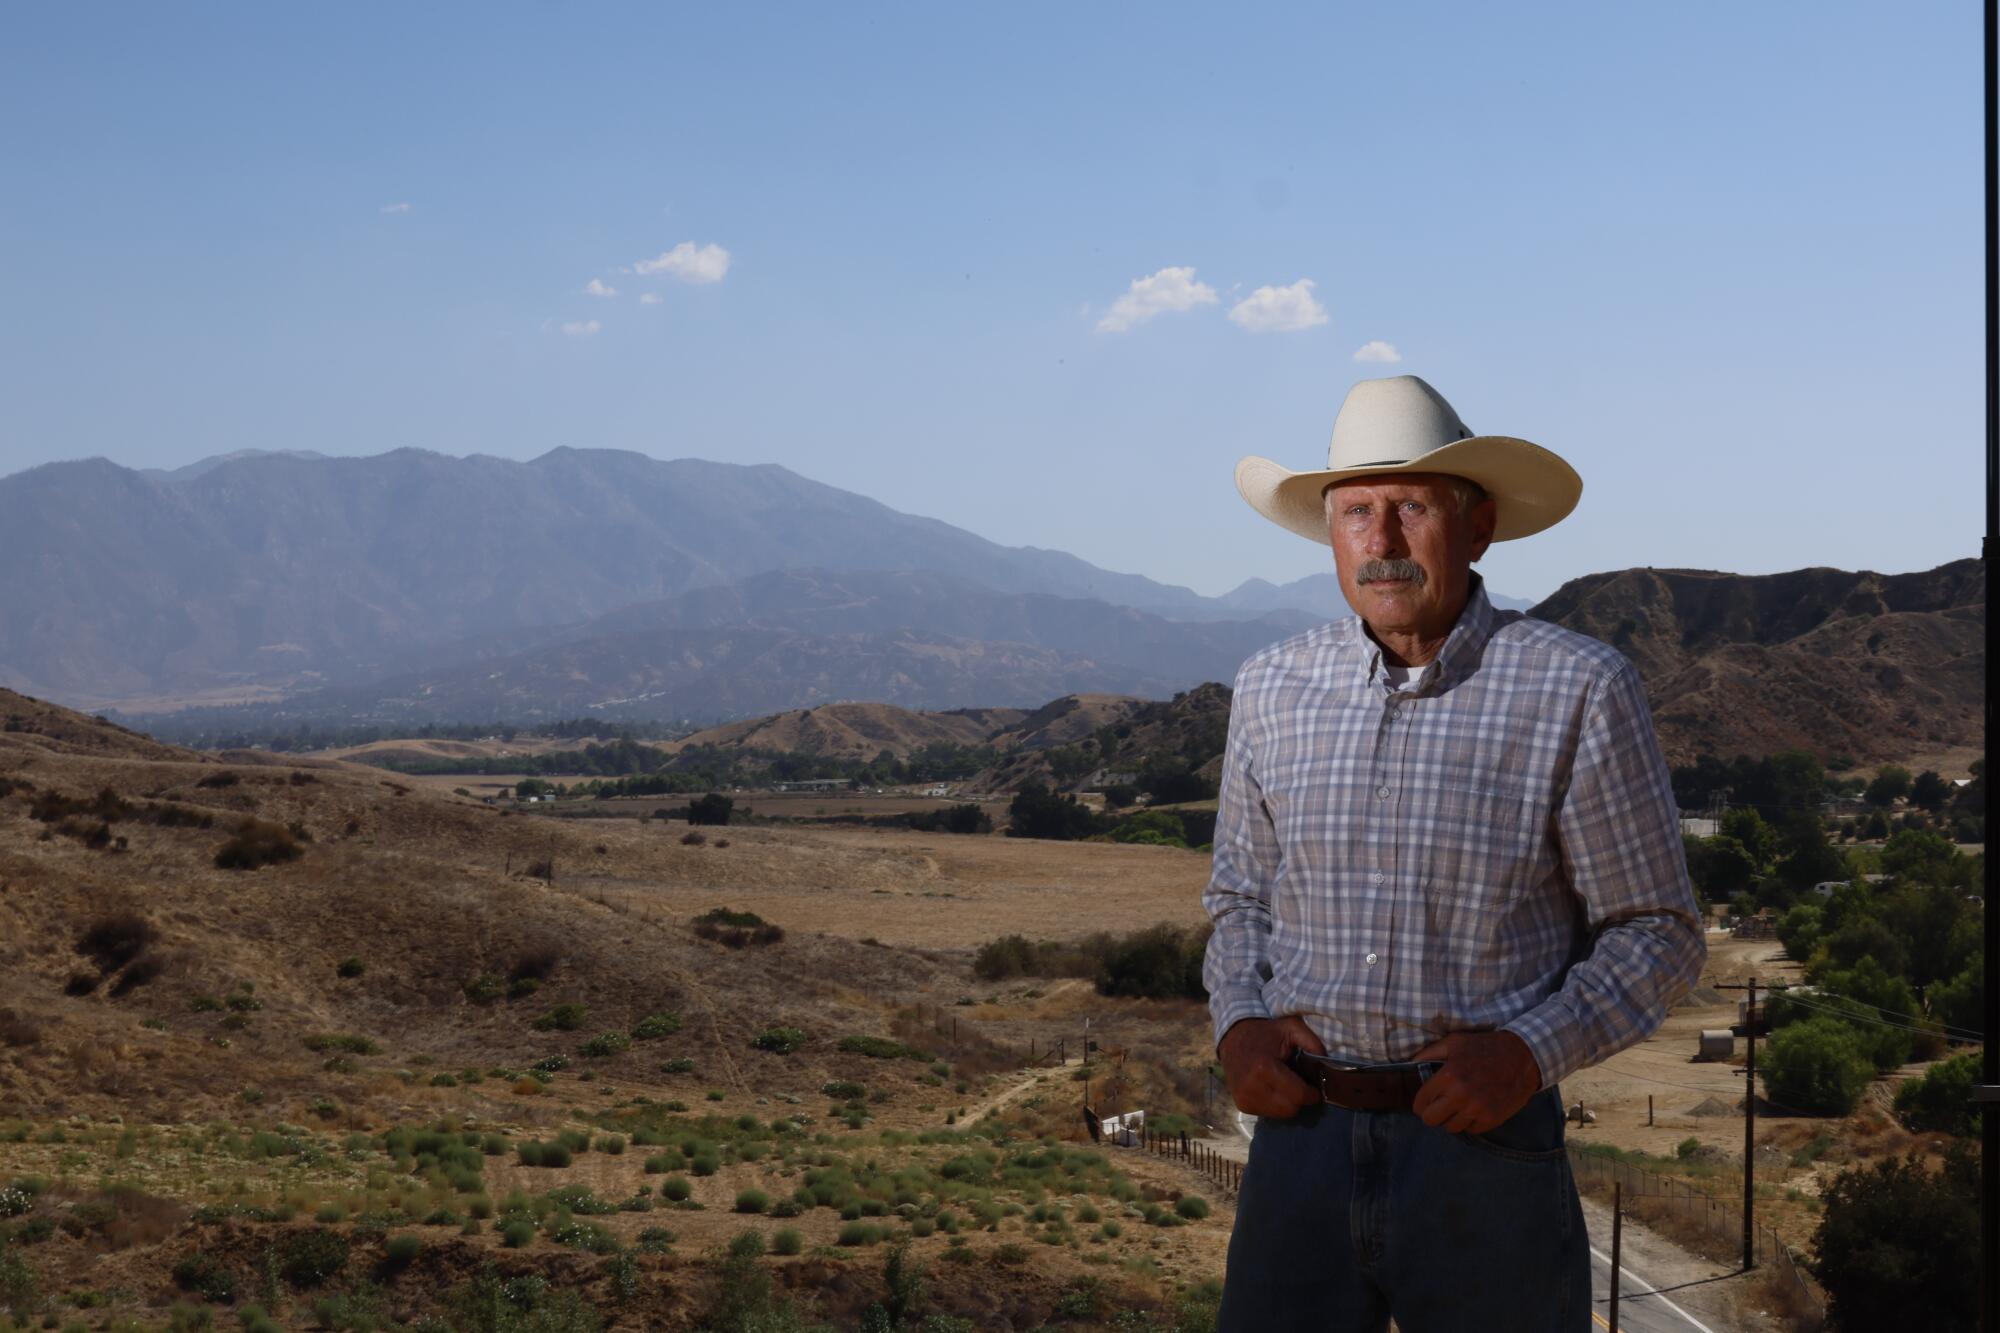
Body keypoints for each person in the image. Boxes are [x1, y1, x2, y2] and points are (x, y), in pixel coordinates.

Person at [1205, 375, 1706, 1332]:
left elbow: (1658, 931)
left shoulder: (1578, 687)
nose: (1381, 541)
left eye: (1411, 509)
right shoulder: (1270, 687)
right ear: (1330, 531)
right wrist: (1238, 1024)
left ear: (1477, 528)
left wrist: (1527, 1054)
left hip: (1484, 1149)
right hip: (1297, 1144)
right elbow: (1240, 900)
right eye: (1356, 511)